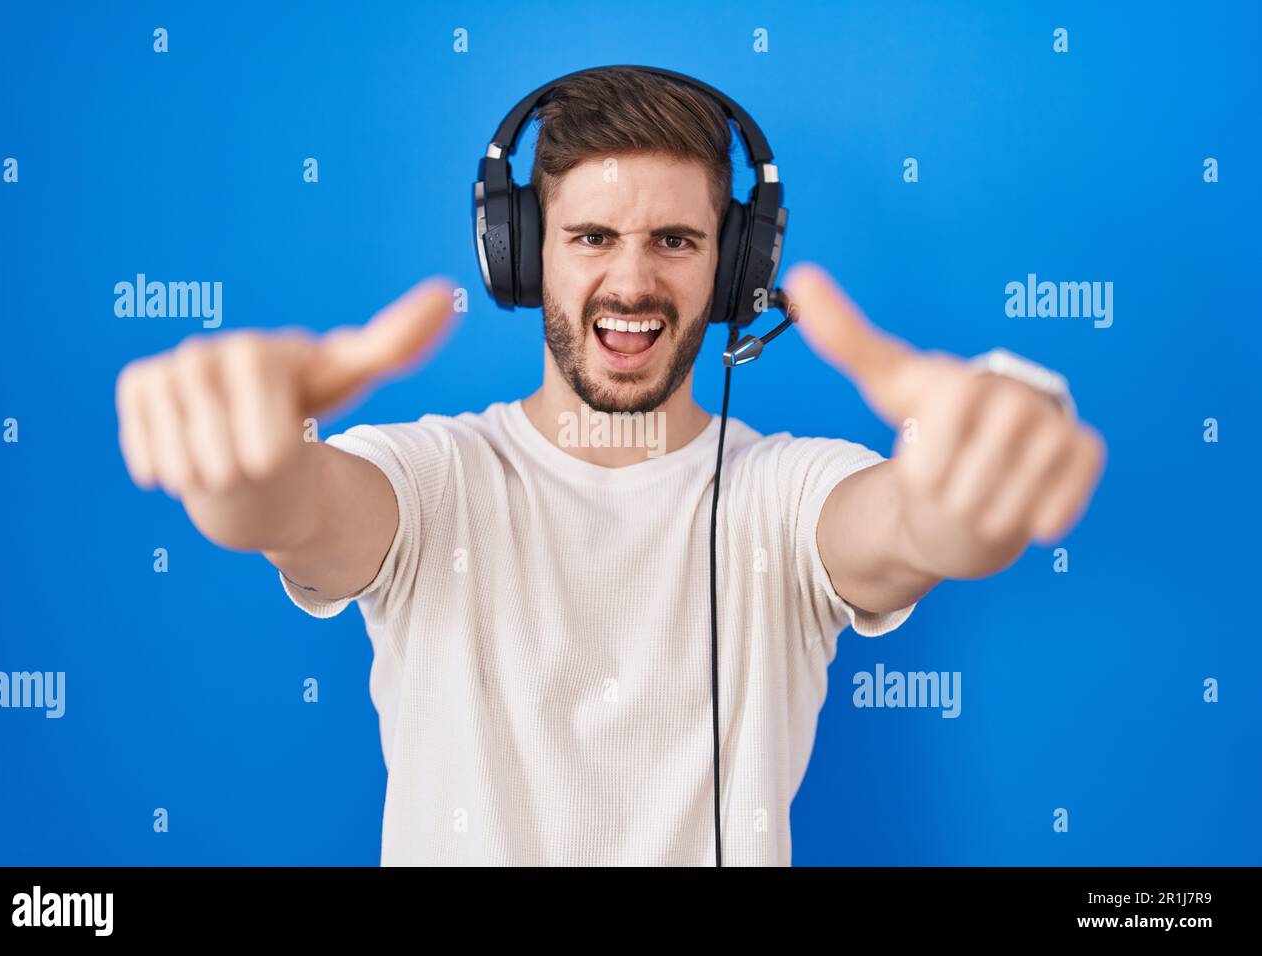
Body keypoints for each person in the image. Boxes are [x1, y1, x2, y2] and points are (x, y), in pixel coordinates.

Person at [113, 68, 1105, 866]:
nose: (630, 280)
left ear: (732, 269)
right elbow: (291, 508)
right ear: (524, 254)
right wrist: (236, 462)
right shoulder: (428, 477)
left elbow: (917, 524)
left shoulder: (785, 493)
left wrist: (987, 452)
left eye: (675, 240)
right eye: (590, 237)